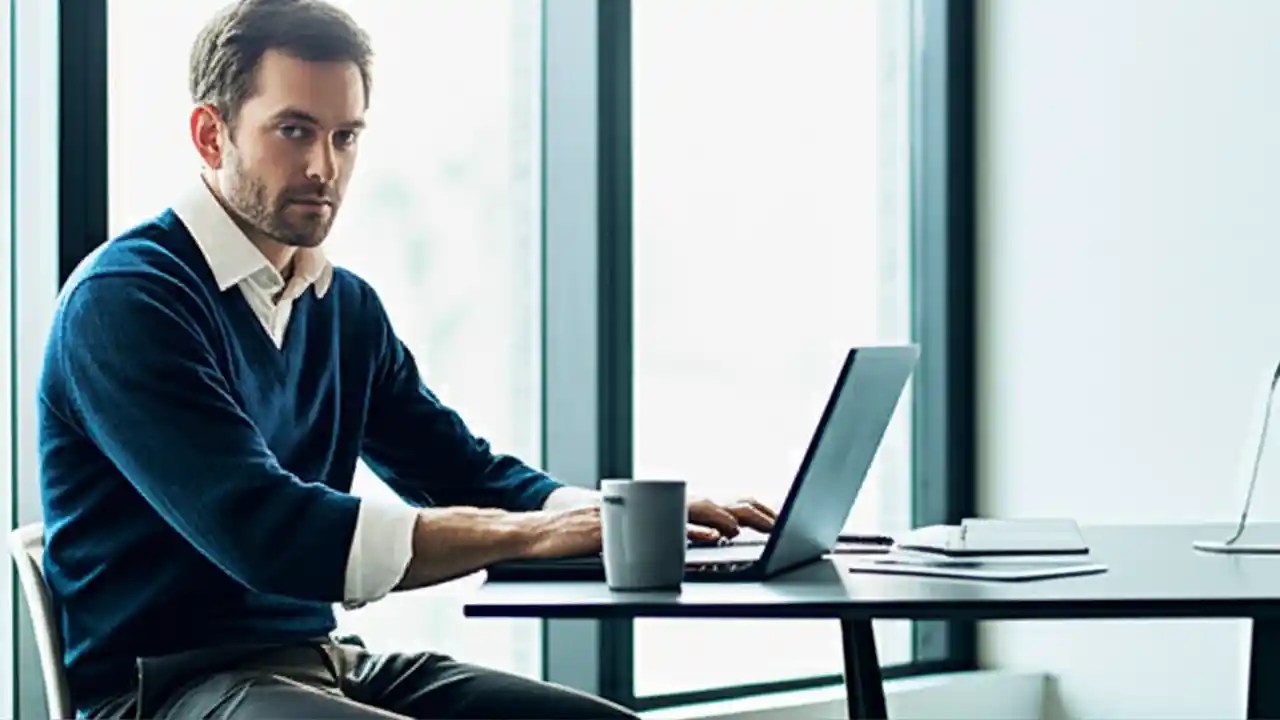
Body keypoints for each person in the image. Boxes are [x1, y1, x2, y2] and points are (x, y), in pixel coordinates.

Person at [36, 0, 777, 717]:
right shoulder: (129, 302)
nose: (324, 167)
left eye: (345, 136)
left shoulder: (342, 307)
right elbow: (269, 535)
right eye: (293, 130)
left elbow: (463, 472)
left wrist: (622, 515)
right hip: (164, 693)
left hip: (318, 663)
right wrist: (534, 535)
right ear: (210, 135)